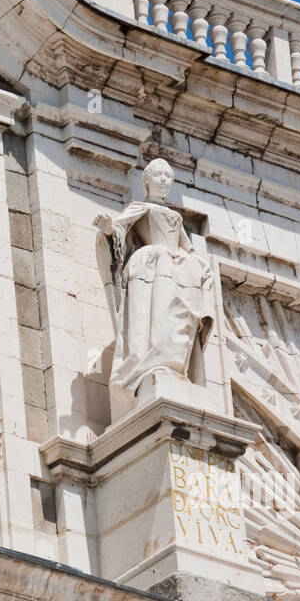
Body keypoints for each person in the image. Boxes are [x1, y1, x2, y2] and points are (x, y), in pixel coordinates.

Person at [95, 158, 215, 417]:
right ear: (146, 181)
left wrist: (199, 266)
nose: (164, 180)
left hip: (175, 268)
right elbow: (119, 230)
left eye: (168, 176)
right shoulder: (141, 207)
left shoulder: (175, 216)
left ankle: (172, 365)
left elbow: (188, 248)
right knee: (153, 317)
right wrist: (108, 228)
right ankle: (150, 366)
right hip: (149, 266)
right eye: (158, 175)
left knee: (175, 317)